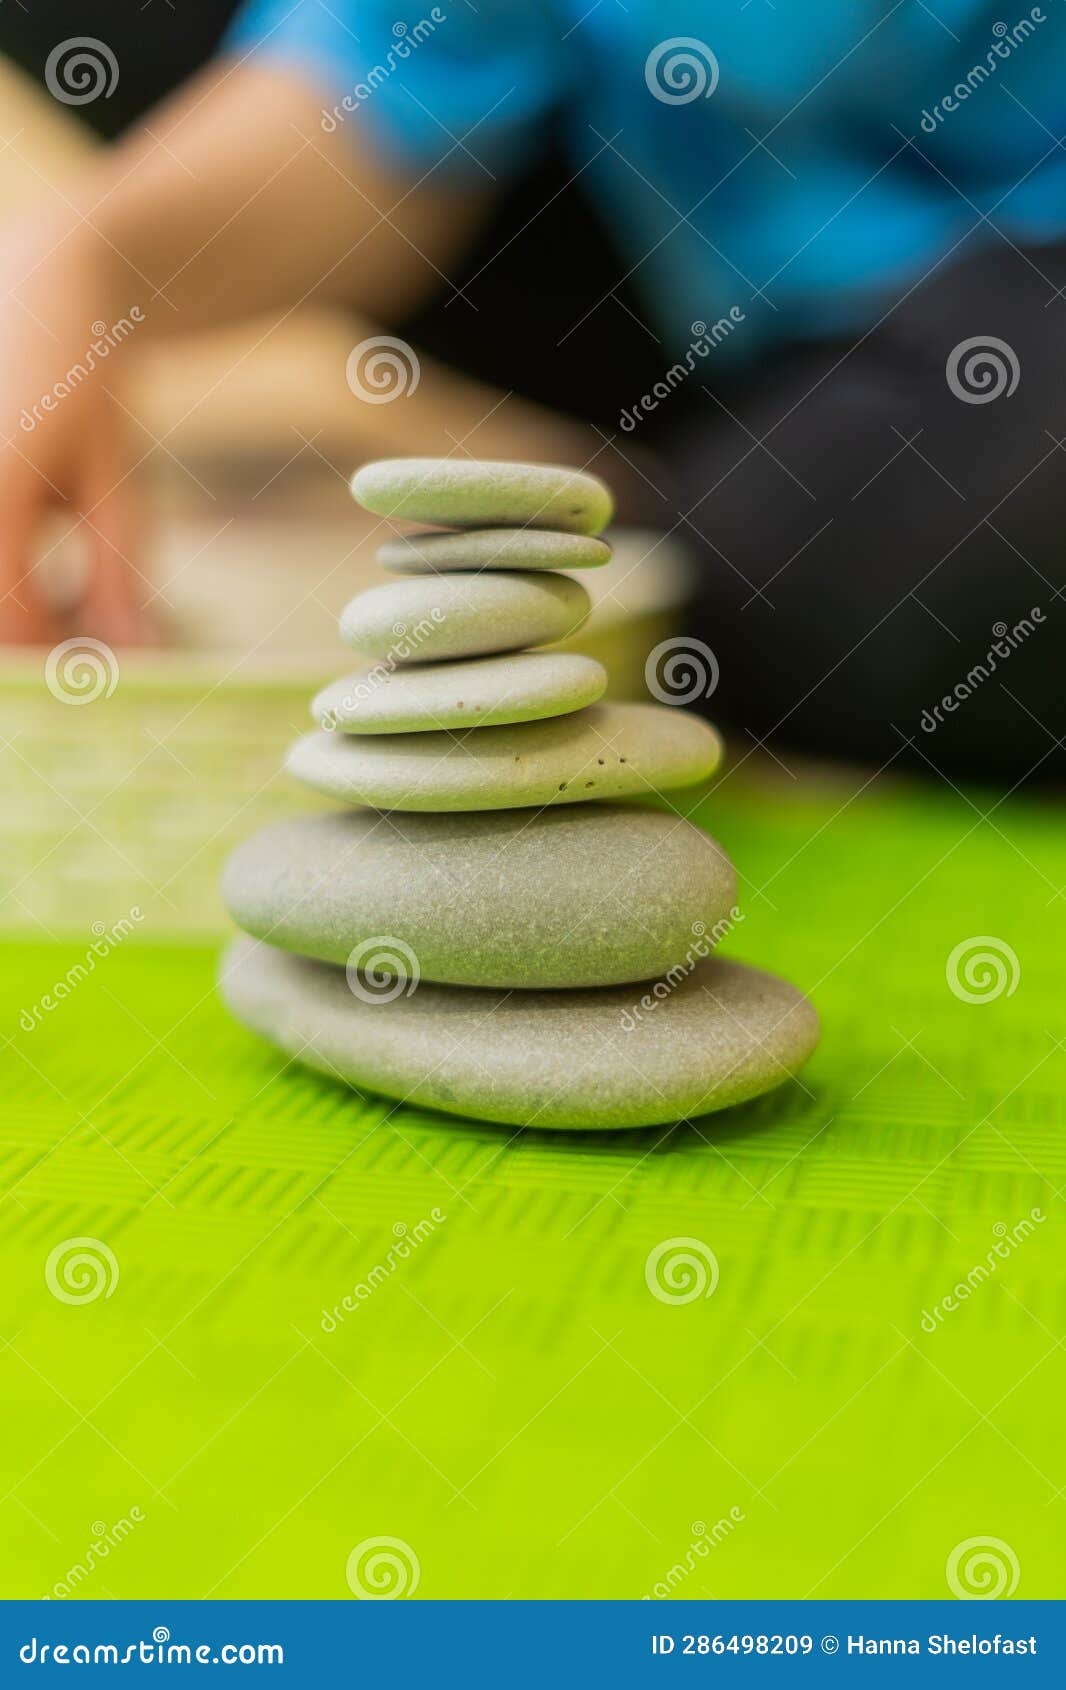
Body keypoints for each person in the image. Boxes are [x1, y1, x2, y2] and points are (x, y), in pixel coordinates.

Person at [1, 2, 1063, 776]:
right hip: (713, 293)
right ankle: (683, 523)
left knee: (965, 534)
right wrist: (79, 261)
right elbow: (401, 74)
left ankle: (693, 532)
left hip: (1007, 320)